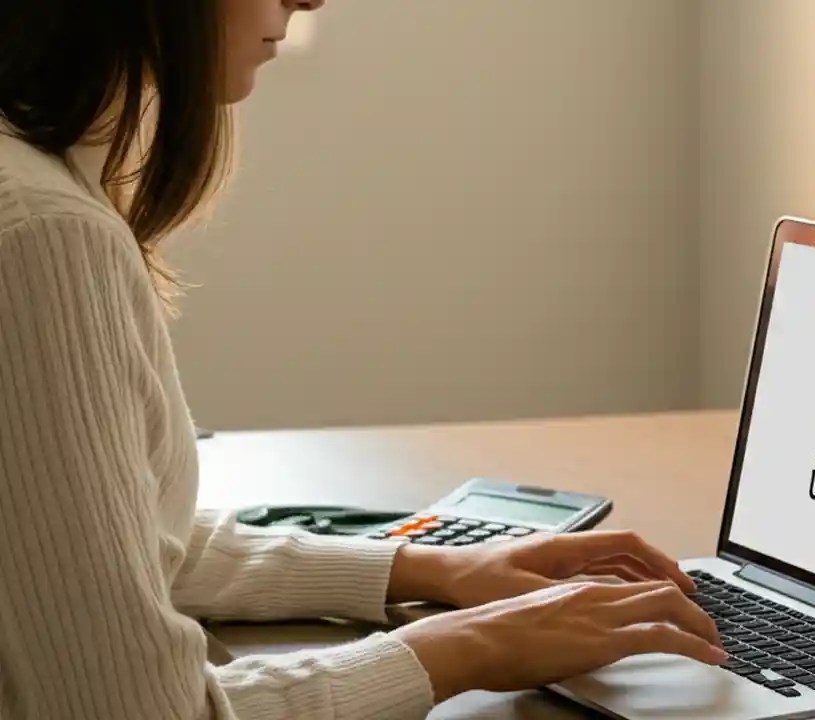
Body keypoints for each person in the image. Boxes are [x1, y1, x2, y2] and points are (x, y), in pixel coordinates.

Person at [0, 1, 725, 718]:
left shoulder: (35, 183)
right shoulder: (43, 238)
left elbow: (121, 546)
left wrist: (431, 568)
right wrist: (466, 649)